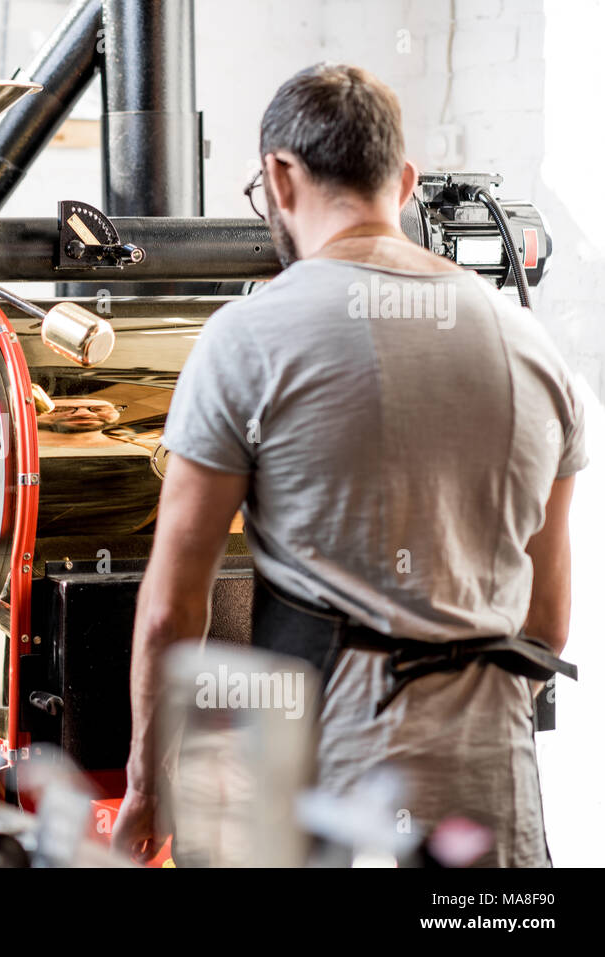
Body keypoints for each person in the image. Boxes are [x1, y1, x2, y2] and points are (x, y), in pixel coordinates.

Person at [113, 64, 586, 867]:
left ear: (280, 175)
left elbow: (172, 609)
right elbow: (546, 623)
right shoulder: (534, 350)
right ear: (403, 183)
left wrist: (148, 785)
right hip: (488, 766)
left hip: (309, 762)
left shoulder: (248, 339)